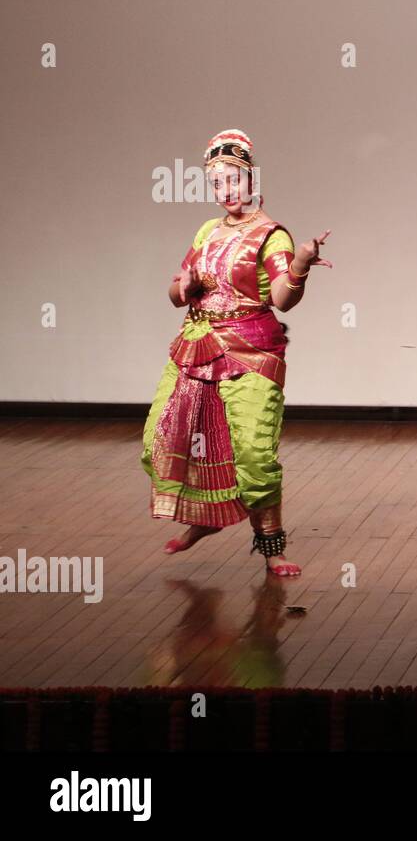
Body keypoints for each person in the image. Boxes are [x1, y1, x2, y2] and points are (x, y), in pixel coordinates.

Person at [141, 129, 332, 577]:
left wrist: (301, 265)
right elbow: (175, 291)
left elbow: (283, 299)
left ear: (252, 181)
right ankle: (207, 519)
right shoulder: (207, 231)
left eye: (233, 181)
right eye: (217, 184)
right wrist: (182, 286)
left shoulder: (272, 235)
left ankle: (272, 547)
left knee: (254, 456)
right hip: (196, 348)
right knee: (163, 438)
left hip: (250, 354)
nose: (226, 192)